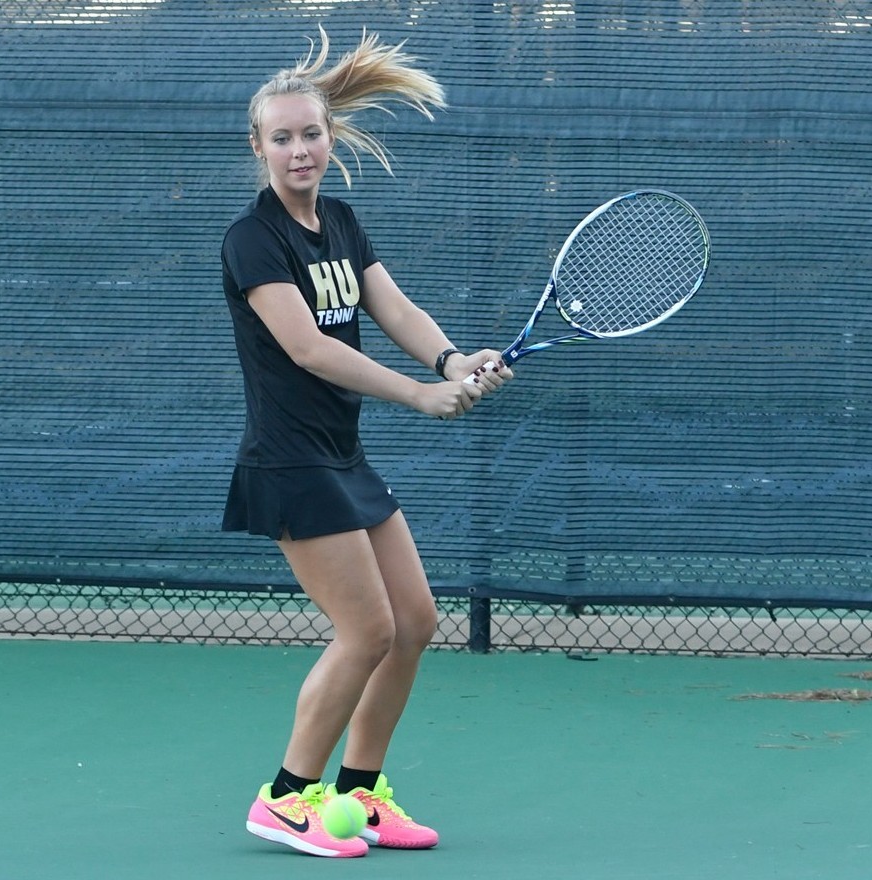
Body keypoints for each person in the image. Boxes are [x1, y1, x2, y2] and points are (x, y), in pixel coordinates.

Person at [221, 26, 513, 859]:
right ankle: (284, 797)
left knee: (414, 621)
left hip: (342, 458)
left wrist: (453, 358)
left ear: (329, 137)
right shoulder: (252, 239)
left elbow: (394, 309)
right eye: (281, 138)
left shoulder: (341, 222)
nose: (298, 149)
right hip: (289, 461)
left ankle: (360, 793)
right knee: (365, 631)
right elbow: (309, 347)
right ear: (260, 148)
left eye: (310, 133)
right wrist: (420, 393)